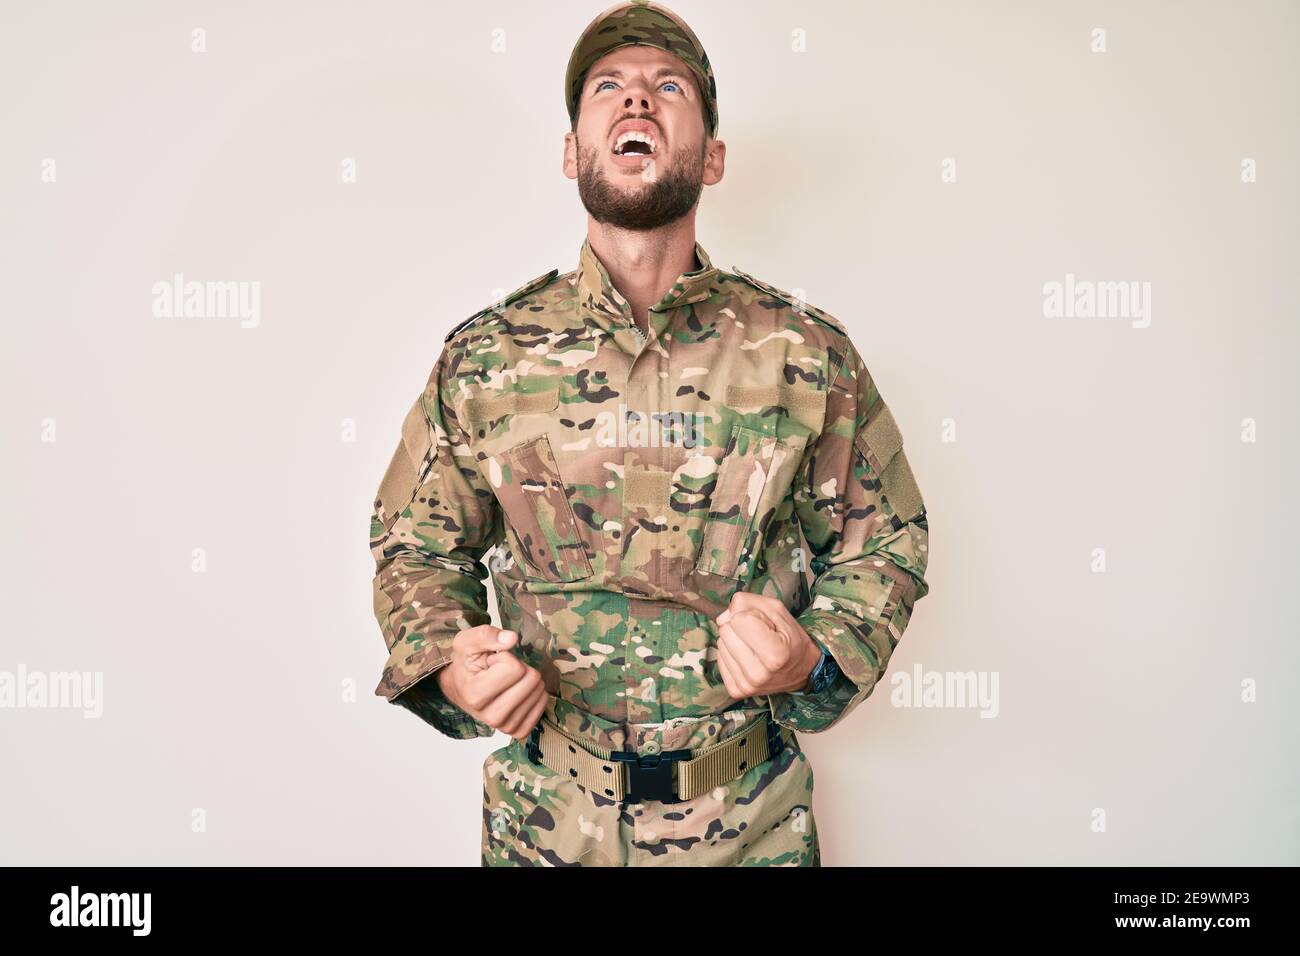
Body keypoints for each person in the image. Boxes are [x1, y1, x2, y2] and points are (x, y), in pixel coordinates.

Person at [368, 0, 930, 867]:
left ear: (711, 156)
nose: (637, 101)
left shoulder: (806, 353)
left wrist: (813, 659)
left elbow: (884, 541)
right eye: (608, 88)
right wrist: (450, 663)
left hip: (749, 829)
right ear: (571, 150)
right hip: (544, 827)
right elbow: (414, 545)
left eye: (669, 87)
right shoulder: (486, 357)